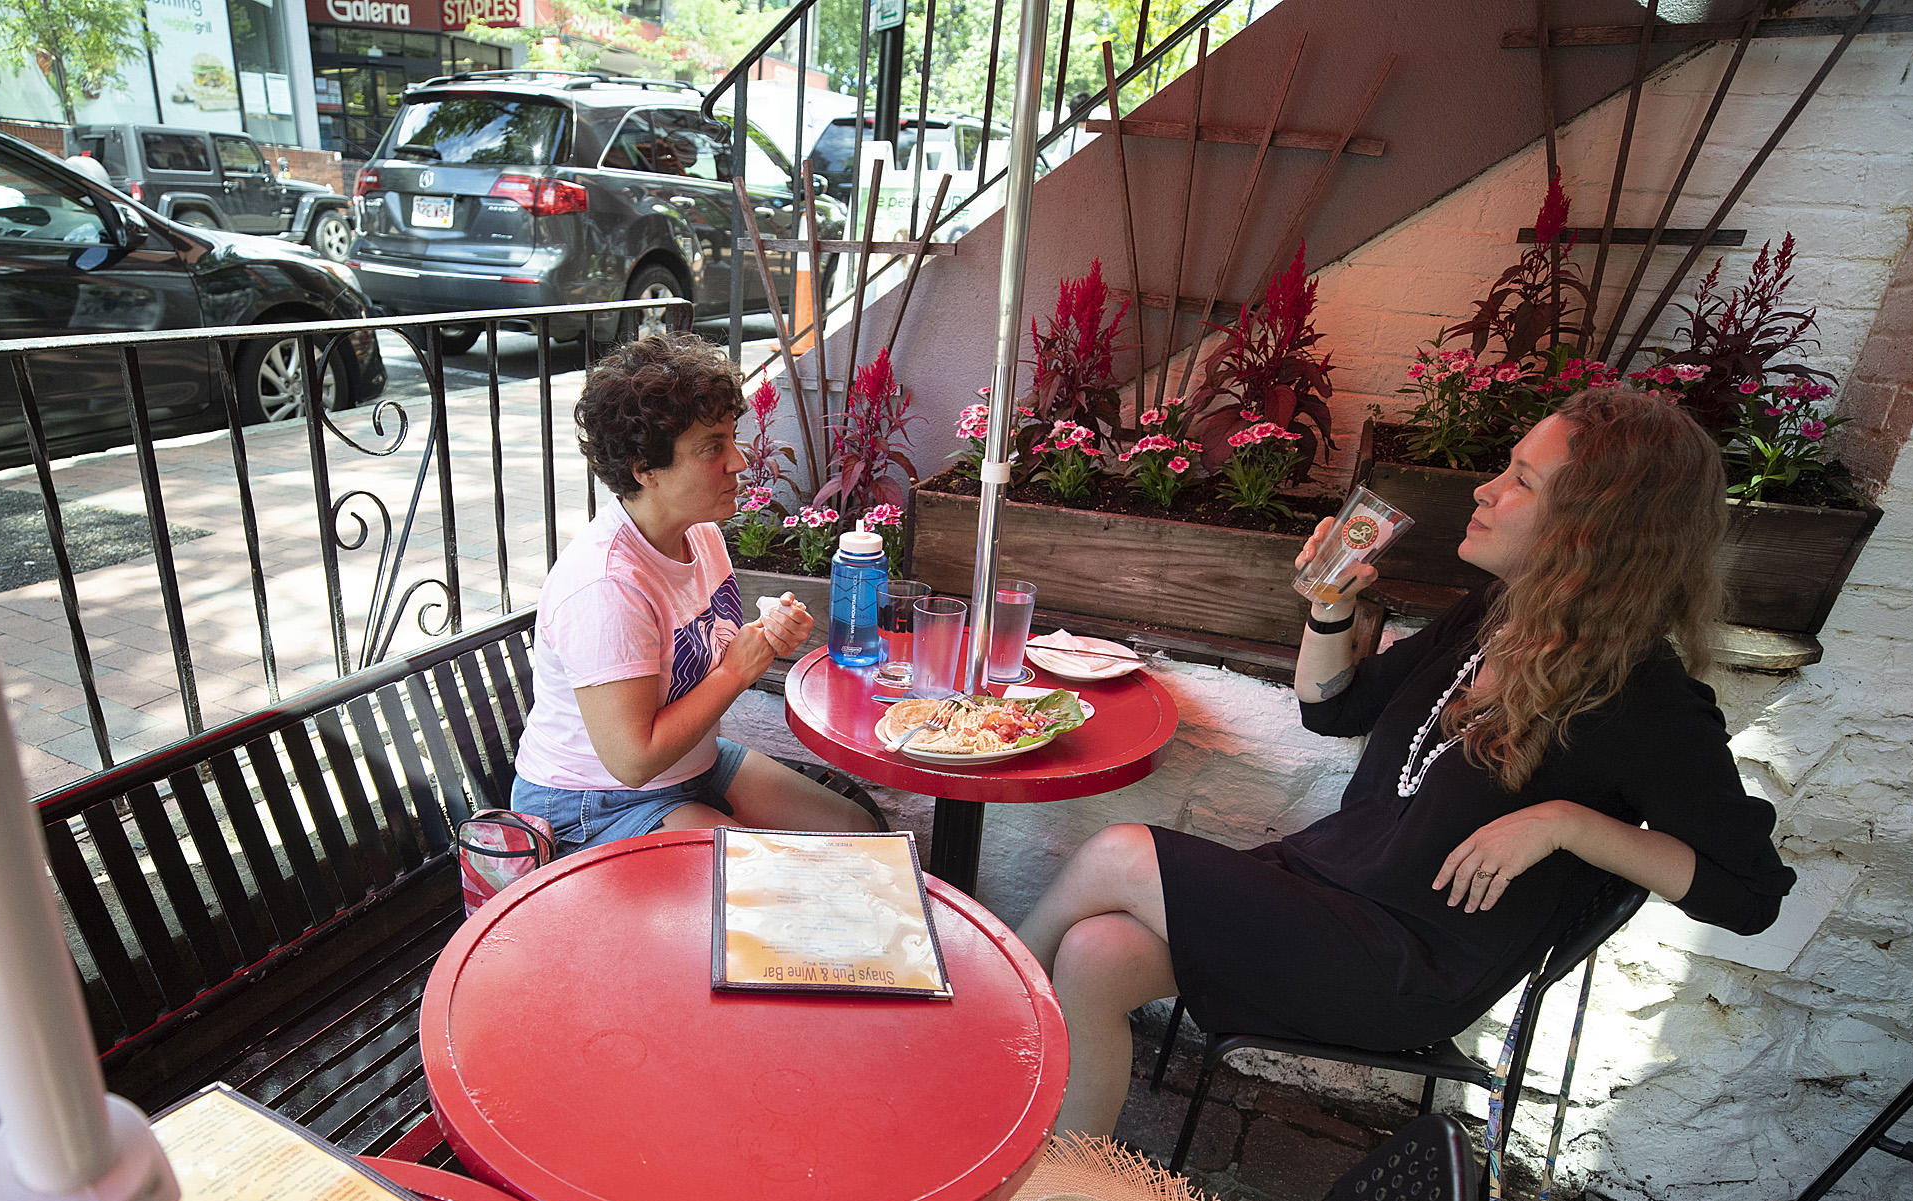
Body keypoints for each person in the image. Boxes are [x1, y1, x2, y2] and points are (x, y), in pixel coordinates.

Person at [1020, 385, 1797, 1138]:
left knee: (1120, 853)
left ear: (1595, 530)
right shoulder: (1493, 615)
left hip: (1406, 968)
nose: (1487, 490)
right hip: (1326, 889)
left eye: (1521, 479)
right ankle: (1055, 1183)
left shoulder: (1648, 698)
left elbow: (1749, 893)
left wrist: (1565, 823)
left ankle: (978, 1013)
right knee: (1093, 956)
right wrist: (1330, 605)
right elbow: (1334, 709)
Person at [512, 333, 880, 849]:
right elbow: (633, 760)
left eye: (732, 438)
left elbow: (696, 649)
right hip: (595, 802)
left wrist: (765, 635)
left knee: (860, 836)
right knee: (775, 884)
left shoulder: (699, 532)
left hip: (690, 766)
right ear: (645, 470)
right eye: (713, 448)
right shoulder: (607, 586)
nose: (739, 461)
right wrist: (737, 669)